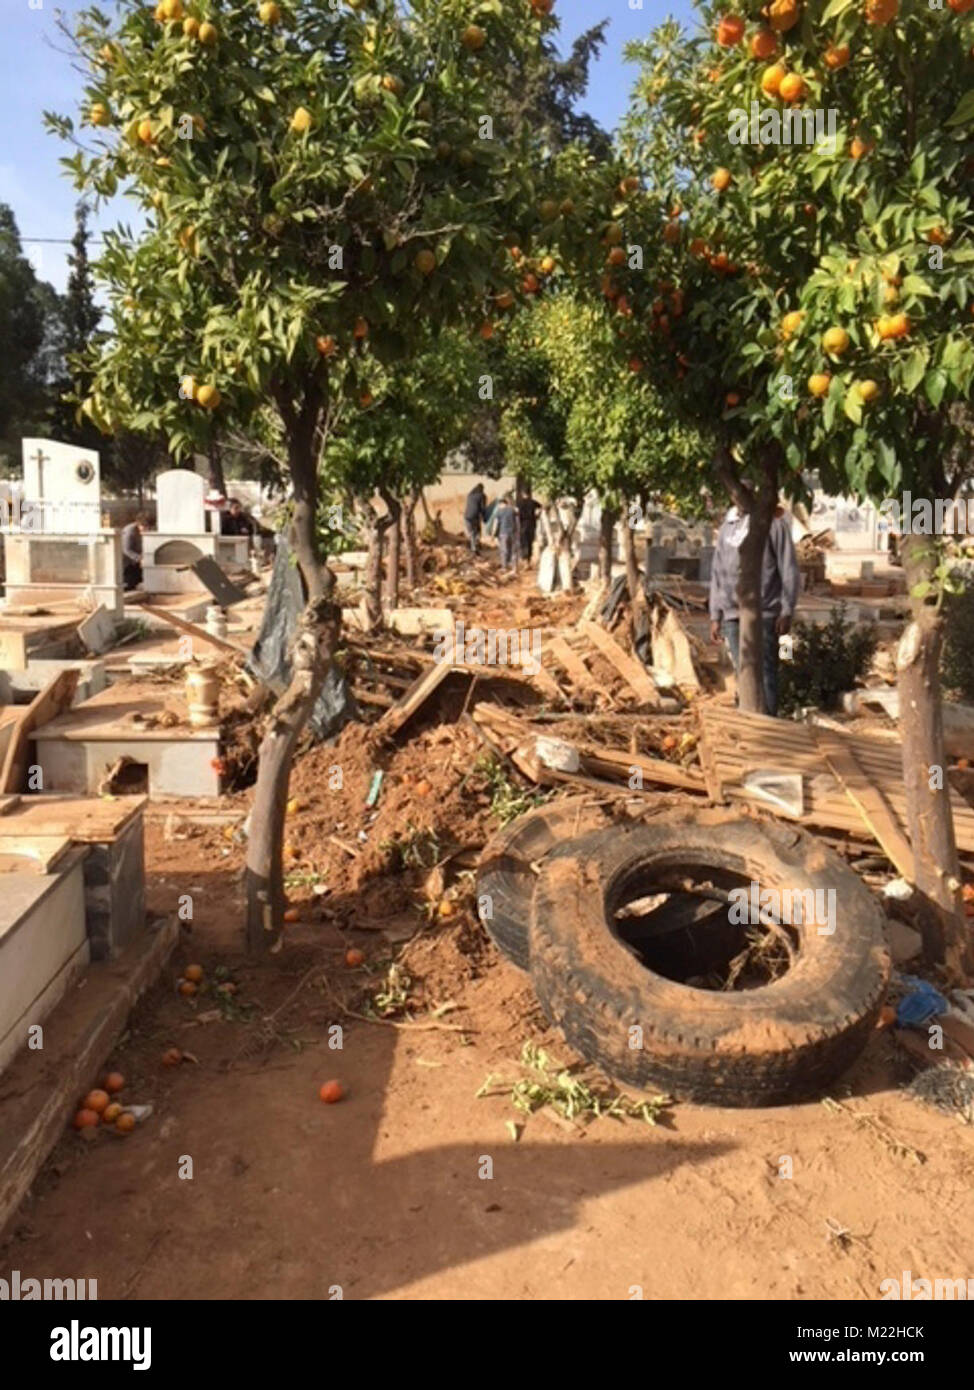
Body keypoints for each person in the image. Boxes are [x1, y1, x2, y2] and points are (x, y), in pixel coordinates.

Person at [709, 503, 800, 717]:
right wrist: (715, 615)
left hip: (765, 612)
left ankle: (768, 721)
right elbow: (717, 573)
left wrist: (787, 609)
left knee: (765, 672)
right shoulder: (728, 528)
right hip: (731, 614)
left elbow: (788, 568)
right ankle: (747, 720)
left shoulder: (773, 524)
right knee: (742, 671)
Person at [121, 513, 147, 591]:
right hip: (126, 562)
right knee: (129, 583)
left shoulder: (141, 532)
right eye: (144, 526)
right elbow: (126, 549)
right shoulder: (129, 531)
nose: (145, 529)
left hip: (135, 561)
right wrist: (139, 558)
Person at [494, 493, 519, 573]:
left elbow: (496, 523)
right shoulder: (512, 510)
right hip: (513, 533)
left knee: (504, 550)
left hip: (503, 533)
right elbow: (517, 521)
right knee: (513, 550)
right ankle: (514, 568)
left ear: (501, 504)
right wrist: (518, 531)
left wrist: (493, 534)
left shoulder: (499, 511)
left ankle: (504, 567)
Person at [516, 487, 541, 563]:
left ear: (522, 494)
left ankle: (524, 557)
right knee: (530, 541)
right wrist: (537, 515)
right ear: (529, 494)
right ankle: (529, 558)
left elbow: (517, 512)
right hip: (532, 523)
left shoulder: (519, 503)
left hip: (523, 524)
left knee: (523, 541)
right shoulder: (533, 502)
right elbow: (541, 507)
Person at [463, 481, 487, 556]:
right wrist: (485, 518)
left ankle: (473, 547)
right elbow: (483, 508)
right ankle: (475, 548)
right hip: (474, 516)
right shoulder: (482, 495)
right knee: (477, 532)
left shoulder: (470, 495)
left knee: (471, 533)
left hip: (466, 516)